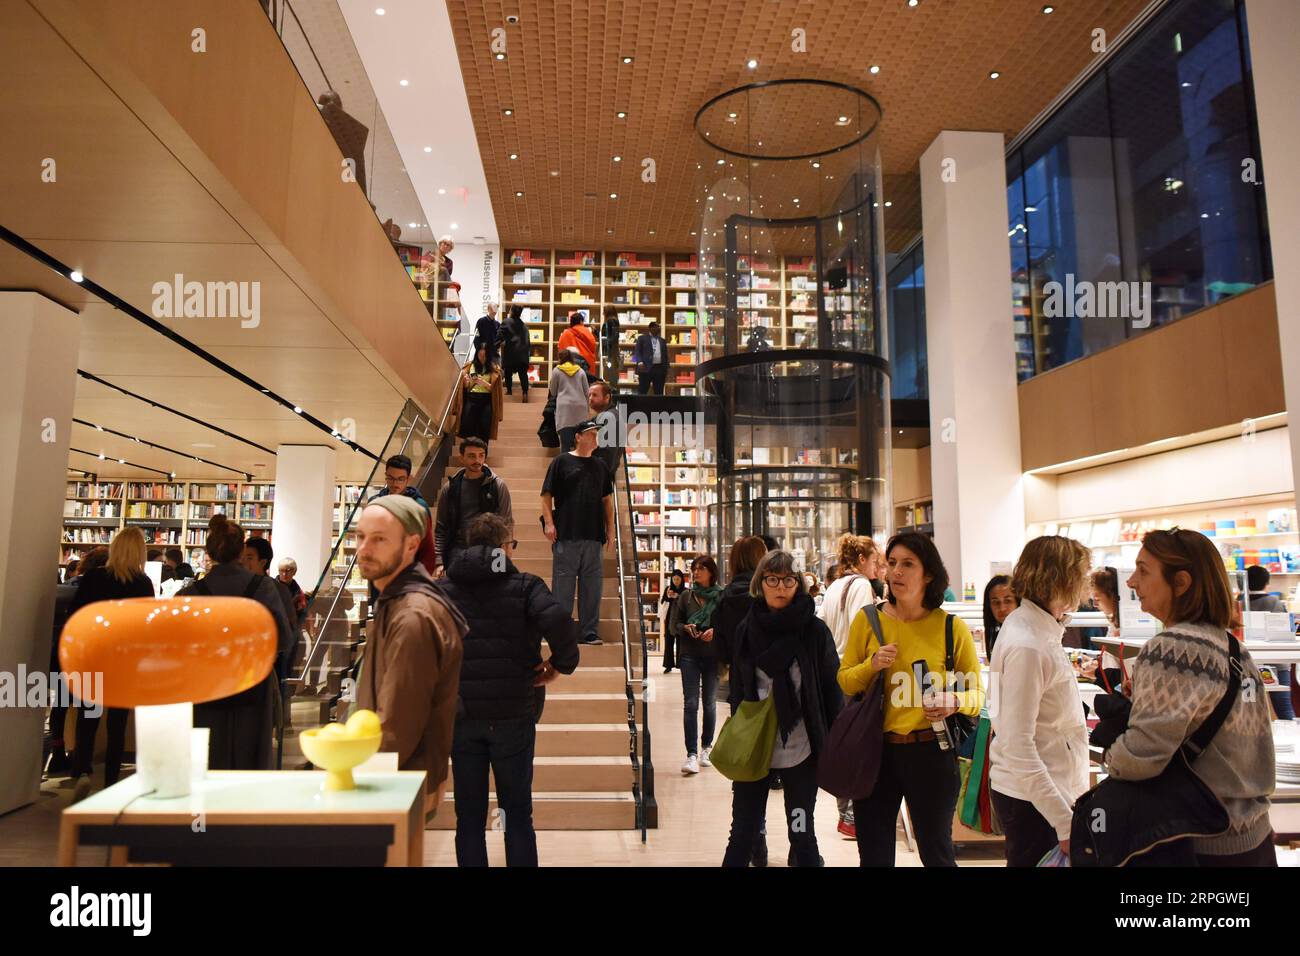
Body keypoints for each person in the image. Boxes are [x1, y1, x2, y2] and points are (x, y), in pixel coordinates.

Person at [1102, 529, 1277, 866]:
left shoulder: (1170, 649)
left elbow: (1142, 756)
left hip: (1197, 844)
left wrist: (1114, 750)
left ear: (1180, 583)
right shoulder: (1232, 647)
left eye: (1143, 570)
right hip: (1252, 839)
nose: (1131, 582)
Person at [433, 513, 580, 866]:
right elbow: (560, 621)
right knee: (516, 812)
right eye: (510, 546)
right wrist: (558, 665)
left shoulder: (442, 589)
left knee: (468, 816)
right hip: (514, 712)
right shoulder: (526, 586)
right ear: (503, 547)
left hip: (461, 714)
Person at [838, 531, 984, 867]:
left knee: (937, 854)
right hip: (876, 752)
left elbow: (977, 694)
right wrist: (871, 666)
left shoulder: (951, 628)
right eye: (891, 563)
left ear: (928, 573)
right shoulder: (868, 620)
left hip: (932, 753)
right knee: (874, 856)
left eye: (908, 564)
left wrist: (953, 701)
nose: (896, 572)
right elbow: (844, 679)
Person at [721, 550, 844, 867]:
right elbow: (738, 690)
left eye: (788, 580)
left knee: (801, 831)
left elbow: (831, 688)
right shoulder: (746, 631)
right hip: (755, 748)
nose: (780, 587)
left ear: (799, 585)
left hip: (801, 750)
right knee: (743, 833)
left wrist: (834, 743)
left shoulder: (814, 633)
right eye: (772, 579)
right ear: (760, 583)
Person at [354, 496, 468, 814]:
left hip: (395, 784)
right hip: (395, 780)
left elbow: (395, 729)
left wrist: (345, 773)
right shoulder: (396, 601)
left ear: (411, 544)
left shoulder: (412, 616)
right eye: (360, 536)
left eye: (379, 539)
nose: (364, 549)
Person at [988, 536, 1093, 867]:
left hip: (1042, 794)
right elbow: (1018, 743)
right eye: (1082, 574)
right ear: (1061, 578)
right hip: (1034, 800)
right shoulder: (1028, 644)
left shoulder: (1038, 629)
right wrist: (1064, 821)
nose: (1086, 583)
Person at [179, 516, 294, 772]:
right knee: (250, 760)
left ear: (208, 552)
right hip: (253, 683)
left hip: (206, 686)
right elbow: (283, 638)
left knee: (207, 759)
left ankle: (205, 812)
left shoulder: (190, 593)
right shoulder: (262, 587)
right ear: (241, 551)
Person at [66, 530, 154, 800]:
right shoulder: (142, 583)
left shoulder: (93, 578)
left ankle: (83, 772)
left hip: (94, 656)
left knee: (88, 718)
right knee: (117, 725)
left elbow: (76, 616)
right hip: (125, 661)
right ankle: (112, 782)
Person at [817, 532, 880, 839]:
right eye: (875, 561)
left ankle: (846, 813)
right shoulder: (862, 586)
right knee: (861, 742)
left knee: (843, 741)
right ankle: (853, 815)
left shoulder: (833, 587)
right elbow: (864, 628)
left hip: (832, 673)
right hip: (855, 673)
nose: (877, 568)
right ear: (861, 560)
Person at [712, 535, 770, 865]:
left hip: (742, 691)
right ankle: (777, 840)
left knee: (749, 766)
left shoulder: (724, 599)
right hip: (774, 691)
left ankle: (751, 836)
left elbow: (719, 649)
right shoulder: (767, 596)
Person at [541, 419, 614, 646]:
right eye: (591, 433)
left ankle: (589, 631)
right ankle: (562, 633)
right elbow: (546, 495)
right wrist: (549, 523)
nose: (595, 437)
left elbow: (607, 501)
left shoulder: (601, 466)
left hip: (594, 536)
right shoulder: (561, 462)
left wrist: (610, 529)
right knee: (563, 587)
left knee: (592, 587)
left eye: (596, 434)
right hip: (567, 533)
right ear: (578, 436)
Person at [434, 437, 514, 575]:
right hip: (459, 549)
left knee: (492, 593)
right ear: (461, 458)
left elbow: (507, 523)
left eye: (481, 455)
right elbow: (441, 527)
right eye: (471, 456)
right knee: (458, 593)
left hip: (492, 549)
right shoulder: (450, 488)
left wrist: (504, 556)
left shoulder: (498, 485)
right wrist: (439, 561)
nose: (477, 460)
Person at [674, 555, 723, 775]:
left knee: (710, 702)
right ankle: (691, 754)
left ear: (711, 572)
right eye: (694, 569)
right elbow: (674, 624)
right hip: (689, 655)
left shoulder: (721, 597)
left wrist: (716, 631)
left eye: (701, 568)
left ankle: (706, 748)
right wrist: (686, 628)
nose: (696, 572)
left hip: (713, 655)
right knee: (690, 703)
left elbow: (728, 625)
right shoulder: (686, 596)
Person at [242, 536, 301, 682]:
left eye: (249, 557)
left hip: (268, 661)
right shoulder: (238, 585)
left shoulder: (277, 589)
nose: (243, 561)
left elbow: (289, 628)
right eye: (242, 556)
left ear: (263, 562)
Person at [1245, 565, 1293, 719]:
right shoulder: (1274, 602)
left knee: (1248, 704)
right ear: (1267, 582)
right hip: (1277, 661)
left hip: (1248, 660)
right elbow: (1286, 630)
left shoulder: (1238, 602)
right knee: (1283, 704)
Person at [449, 343, 504, 453]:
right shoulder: (469, 366)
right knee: (469, 427)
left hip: (487, 400)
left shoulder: (494, 369)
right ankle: (468, 454)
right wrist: (466, 382)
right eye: (480, 355)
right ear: (476, 354)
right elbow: (465, 388)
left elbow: (496, 390)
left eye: (484, 356)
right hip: (471, 398)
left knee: (484, 429)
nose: (482, 358)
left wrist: (484, 383)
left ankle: (483, 455)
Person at [548, 347, 590, 452]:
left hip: (564, 409)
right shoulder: (580, 371)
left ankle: (566, 466)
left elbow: (553, 391)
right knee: (579, 443)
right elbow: (587, 391)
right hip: (580, 408)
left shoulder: (556, 371)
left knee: (565, 445)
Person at [587, 379, 622, 476]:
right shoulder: (603, 417)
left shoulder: (611, 418)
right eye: (589, 395)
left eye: (594, 395)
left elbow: (607, 453)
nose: (590, 398)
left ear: (607, 398)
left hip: (598, 476)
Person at [980, 574, 1018, 660]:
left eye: (1008, 601)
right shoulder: (998, 635)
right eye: (996, 602)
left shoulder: (1023, 639)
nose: (1002, 608)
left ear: (1018, 602)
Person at [500, 304, 531, 401]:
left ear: (512, 311)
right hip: (523, 355)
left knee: (508, 372)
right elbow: (528, 342)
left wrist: (494, 345)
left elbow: (499, 335)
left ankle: (509, 390)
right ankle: (525, 392)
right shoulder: (525, 326)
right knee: (523, 374)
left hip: (511, 354)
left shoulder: (506, 322)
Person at [660, 569, 687, 673]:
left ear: (681, 580)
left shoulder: (685, 590)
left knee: (681, 642)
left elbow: (686, 604)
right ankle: (668, 665)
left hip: (681, 618)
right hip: (670, 618)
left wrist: (678, 596)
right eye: (674, 579)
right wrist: (667, 596)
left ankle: (681, 664)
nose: (676, 581)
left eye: (678, 579)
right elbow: (663, 602)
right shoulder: (668, 588)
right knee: (668, 641)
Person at [632, 320, 669, 395]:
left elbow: (665, 355)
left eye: (658, 327)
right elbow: (636, 352)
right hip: (645, 368)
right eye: (656, 327)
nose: (658, 328)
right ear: (650, 328)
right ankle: (640, 406)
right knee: (642, 391)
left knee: (659, 392)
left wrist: (666, 368)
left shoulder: (662, 340)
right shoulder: (642, 338)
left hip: (659, 369)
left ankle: (658, 406)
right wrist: (639, 362)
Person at [601, 306, 622, 386]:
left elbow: (612, 336)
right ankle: (613, 392)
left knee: (611, 375)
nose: (603, 313)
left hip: (610, 352)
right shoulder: (614, 321)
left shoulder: (611, 321)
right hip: (612, 351)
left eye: (604, 311)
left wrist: (606, 343)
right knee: (612, 375)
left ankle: (612, 394)